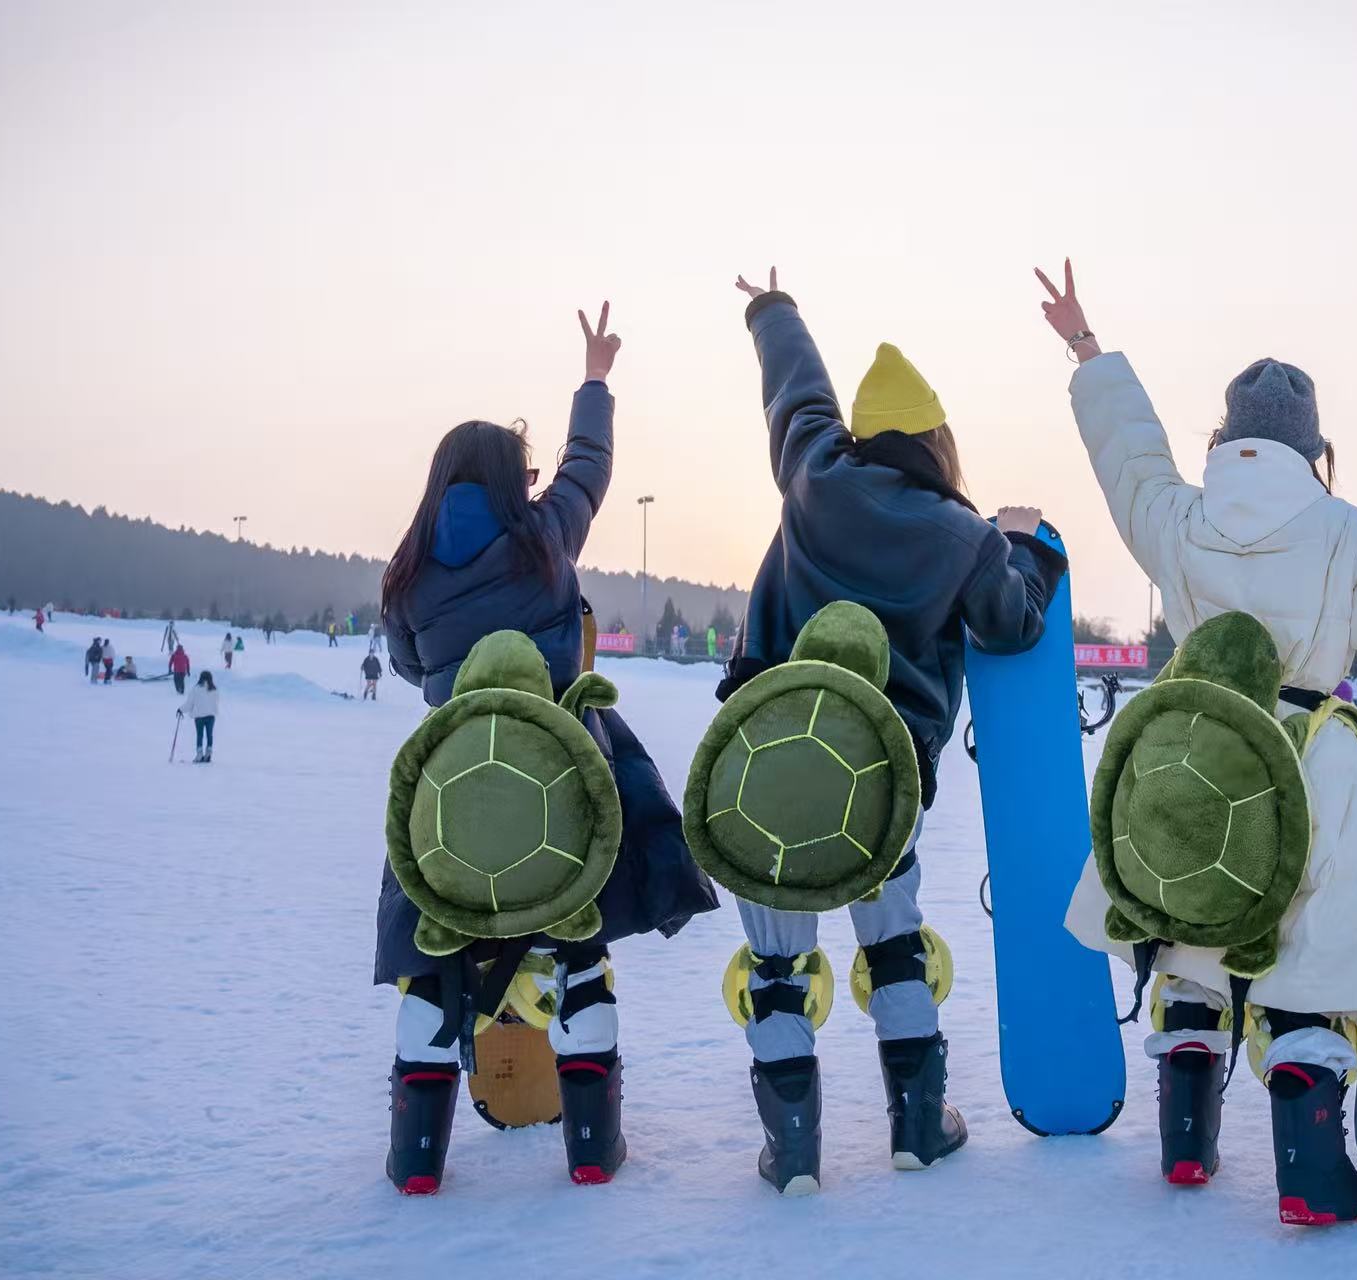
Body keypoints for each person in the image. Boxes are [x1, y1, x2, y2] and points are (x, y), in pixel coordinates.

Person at [1034, 259, 1357, 1226]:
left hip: (1192, 743)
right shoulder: (1345, 528)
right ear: (1314, 451)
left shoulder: (1179, 518)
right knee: (1312, 949)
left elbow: (1128, 456)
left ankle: (1187, 1142)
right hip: (1310, 754)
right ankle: (1311, 1174)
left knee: (1194, 921)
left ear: (1224, 442)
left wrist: (1087, 348)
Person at [716, 269, 1067, 1195]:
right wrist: (1024, 544)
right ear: (939, 442)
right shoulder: (962, 535)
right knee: (893, 942)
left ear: (865, 435)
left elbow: (797, 389)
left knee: (779, 960)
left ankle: (793, 1150)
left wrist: (774, 310)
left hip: (763, 764)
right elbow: (1014, 623)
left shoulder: (817, 472)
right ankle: (917, 1124)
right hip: (883, 783)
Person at [377, 299, 714, 1196]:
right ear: (508, 481)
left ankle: (416, 1159)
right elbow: (589, 468)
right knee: (580, 944)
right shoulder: (543, 540)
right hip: (568, 776)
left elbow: (411, 669)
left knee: (430, 957)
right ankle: (594, 1149)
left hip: (450, 799)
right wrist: (595, 378)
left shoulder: (407, 575)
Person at [178, 671, 218, 763]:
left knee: (200, 735)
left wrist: (181, 709)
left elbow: (189, 704)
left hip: (199, 716)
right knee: (209, 735)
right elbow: (216, 702)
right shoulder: (214, 689)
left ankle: (199, 754)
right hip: (211, 716)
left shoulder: (195, 689)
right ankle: (208, 753)